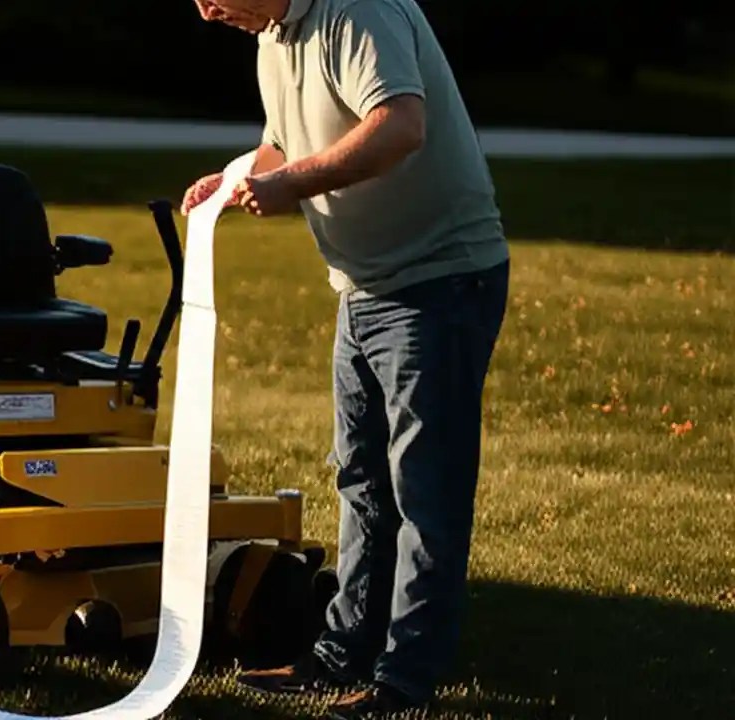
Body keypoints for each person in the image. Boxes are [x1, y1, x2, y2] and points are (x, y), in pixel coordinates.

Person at [184, 0, 510, 717]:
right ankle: (340, 655)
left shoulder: (358, 11)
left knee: (425, 490)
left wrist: (290, 185)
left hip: (438, 282)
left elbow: (400, 126)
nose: (207, 12)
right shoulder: (273, 34)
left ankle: (404, 679)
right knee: (361, 478)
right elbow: (282, 142)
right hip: (363, 290)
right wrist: (235, 180)